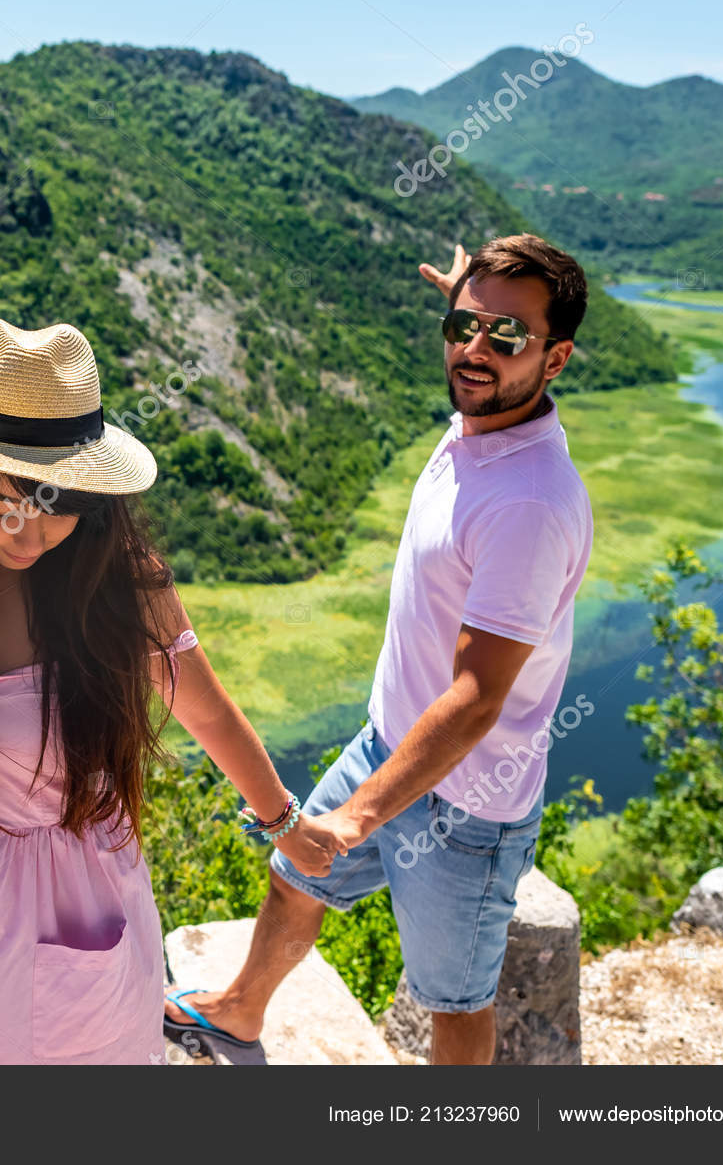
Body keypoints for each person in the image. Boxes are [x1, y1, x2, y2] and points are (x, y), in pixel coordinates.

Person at [0, 316, 343, 1064]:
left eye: (64, 499)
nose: (33, 531)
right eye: (9, 498)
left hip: (58, 905)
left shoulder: (114, 577)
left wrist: (286, 825)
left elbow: (202, 707)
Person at [163, 234, 595, 1064]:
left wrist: (357, 818)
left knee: (454, 999)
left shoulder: (531, 502)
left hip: (466, 803)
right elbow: (483, 331)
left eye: (508, 338)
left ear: (557, 359)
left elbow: (477, 699)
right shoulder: (482, 419)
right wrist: (475, 293)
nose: (474, 349)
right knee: (296, 877)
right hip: (387, 742)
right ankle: (241, 1009)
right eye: (463, 324)